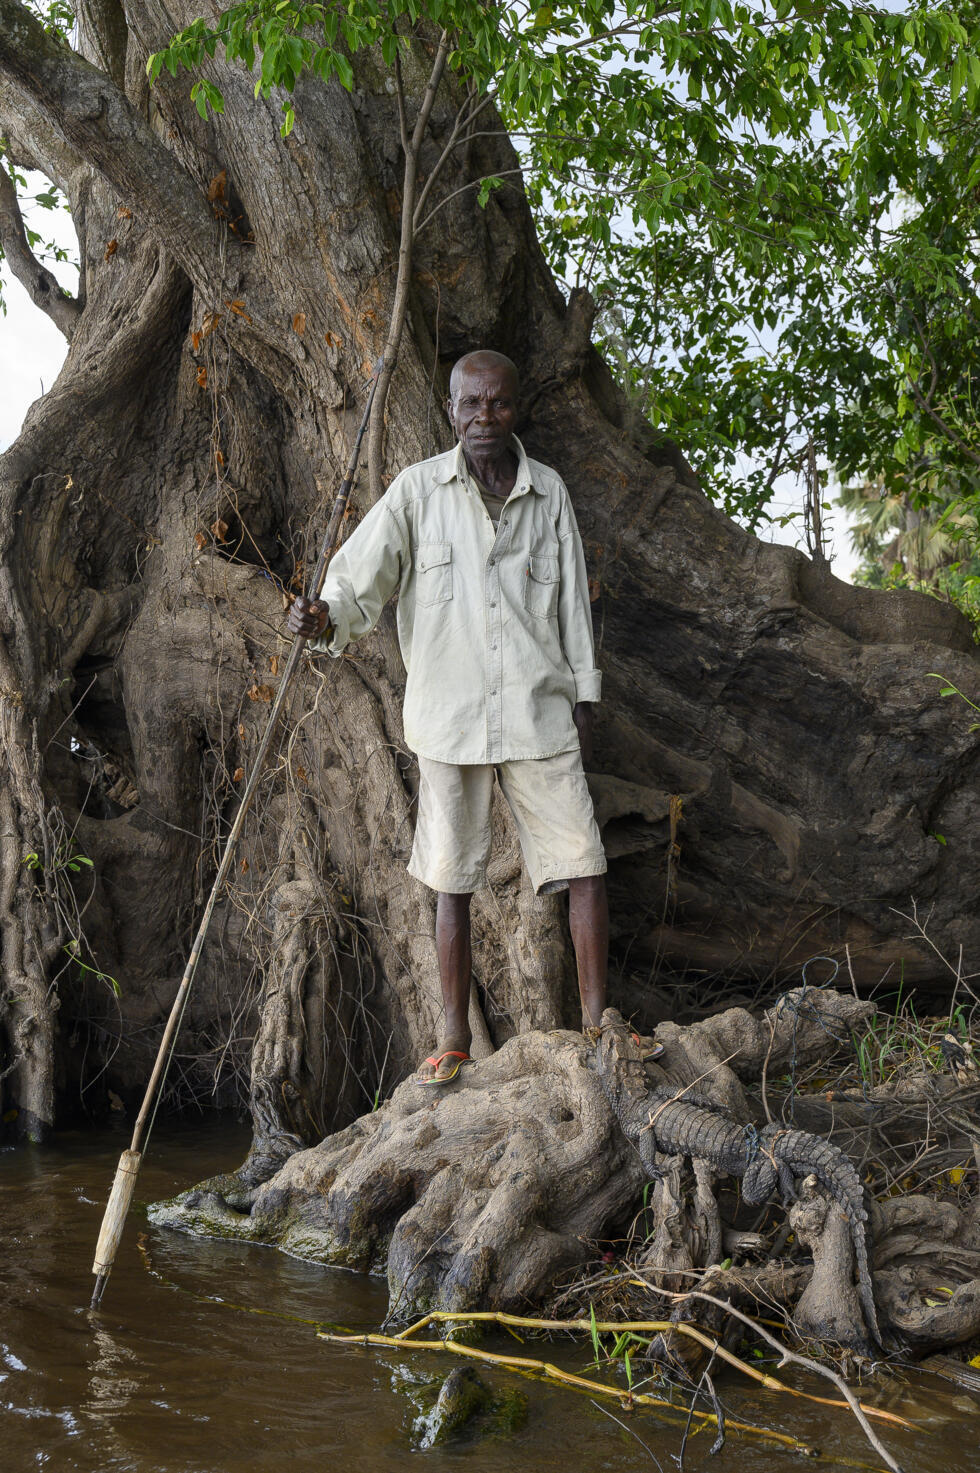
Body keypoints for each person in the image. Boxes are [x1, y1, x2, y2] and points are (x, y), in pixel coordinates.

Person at [287, 349, 608, 1083]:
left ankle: (600, 1025)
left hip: (537, 709)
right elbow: (357, 581)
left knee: (584, 862)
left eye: (497, 403)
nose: (484, 417)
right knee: (450, 879)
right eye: (470, 404)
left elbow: (572, 607)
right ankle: (453, 1035)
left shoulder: (548, 492)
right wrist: (323, 616)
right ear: (451, 410)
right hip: (449, 716)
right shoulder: (416, 491)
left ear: (516, 408)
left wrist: (585, 697)